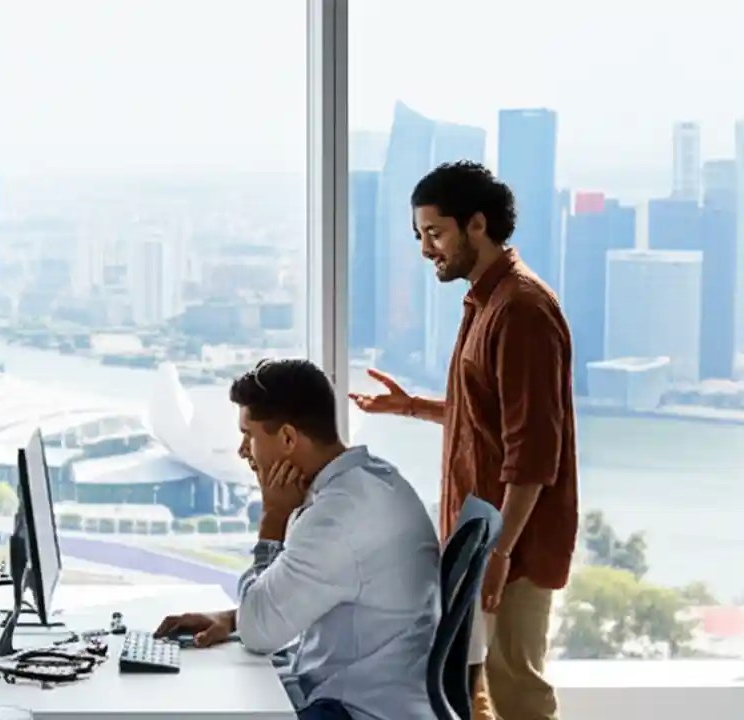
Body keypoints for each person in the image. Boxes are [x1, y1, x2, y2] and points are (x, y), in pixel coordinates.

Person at [351, 160, 578, 720]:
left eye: (435, 233)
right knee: (471, 693)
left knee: (517, 693)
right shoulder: (485, 302)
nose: (426, 249)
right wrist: (412, 406)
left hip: (514, 547)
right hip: (481, 542)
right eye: (419, 236)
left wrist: (501, 552)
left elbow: (533, 452)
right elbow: (489, 417)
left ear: (477, 225)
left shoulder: (521, 310)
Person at [156, 359, 439, 720]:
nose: (243, 451)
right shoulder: (371, 480)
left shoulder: (336, 517)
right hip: (365, 691)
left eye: (249, 435)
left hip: (354, 710)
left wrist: (273, 519)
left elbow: (260, 633)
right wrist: (233, 618)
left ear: (288, 439)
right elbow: (286, 605)